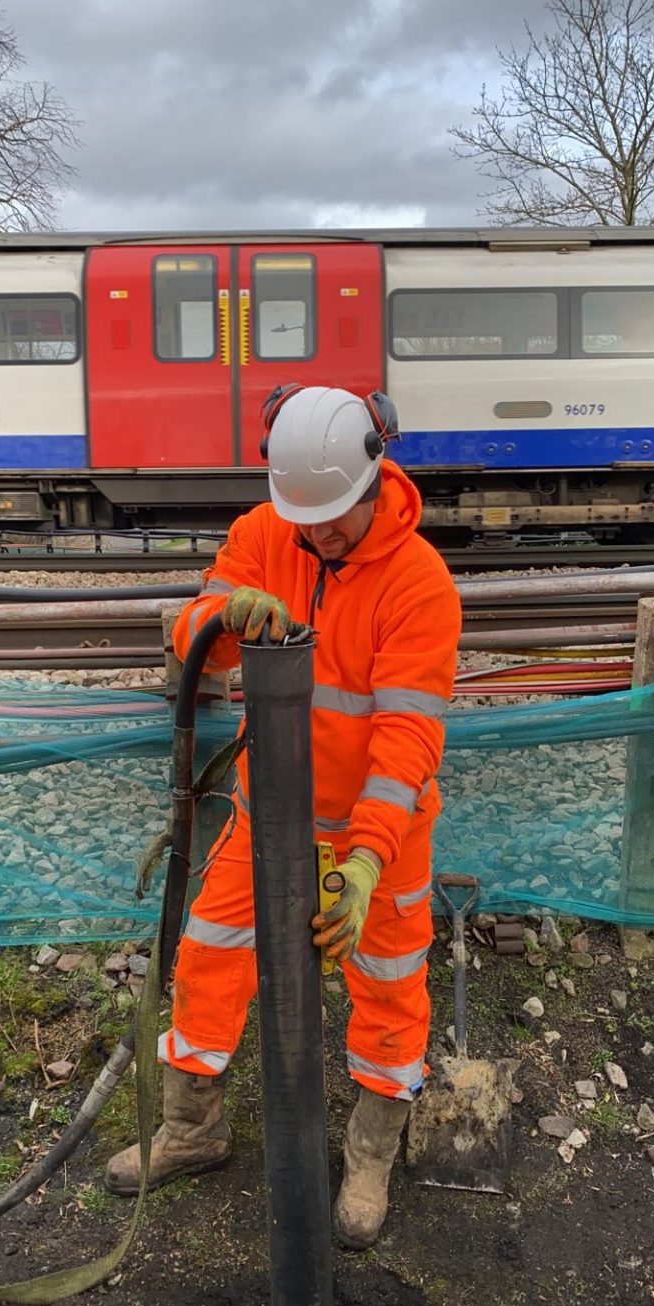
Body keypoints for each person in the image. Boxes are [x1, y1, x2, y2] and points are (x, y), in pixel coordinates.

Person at [105, 384, 462, 1248]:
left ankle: (371, 1155)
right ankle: (195, 1125)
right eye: (306, 517)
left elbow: (406, 738)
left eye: (335, 516)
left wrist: (370, 859)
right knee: (210, 955)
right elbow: (198, 631)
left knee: (388, 981)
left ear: (376, 480)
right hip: (273, 816)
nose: (319, 534)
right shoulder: (268, 534)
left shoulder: (419, 584)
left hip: (379, 830)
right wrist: (221, 616)